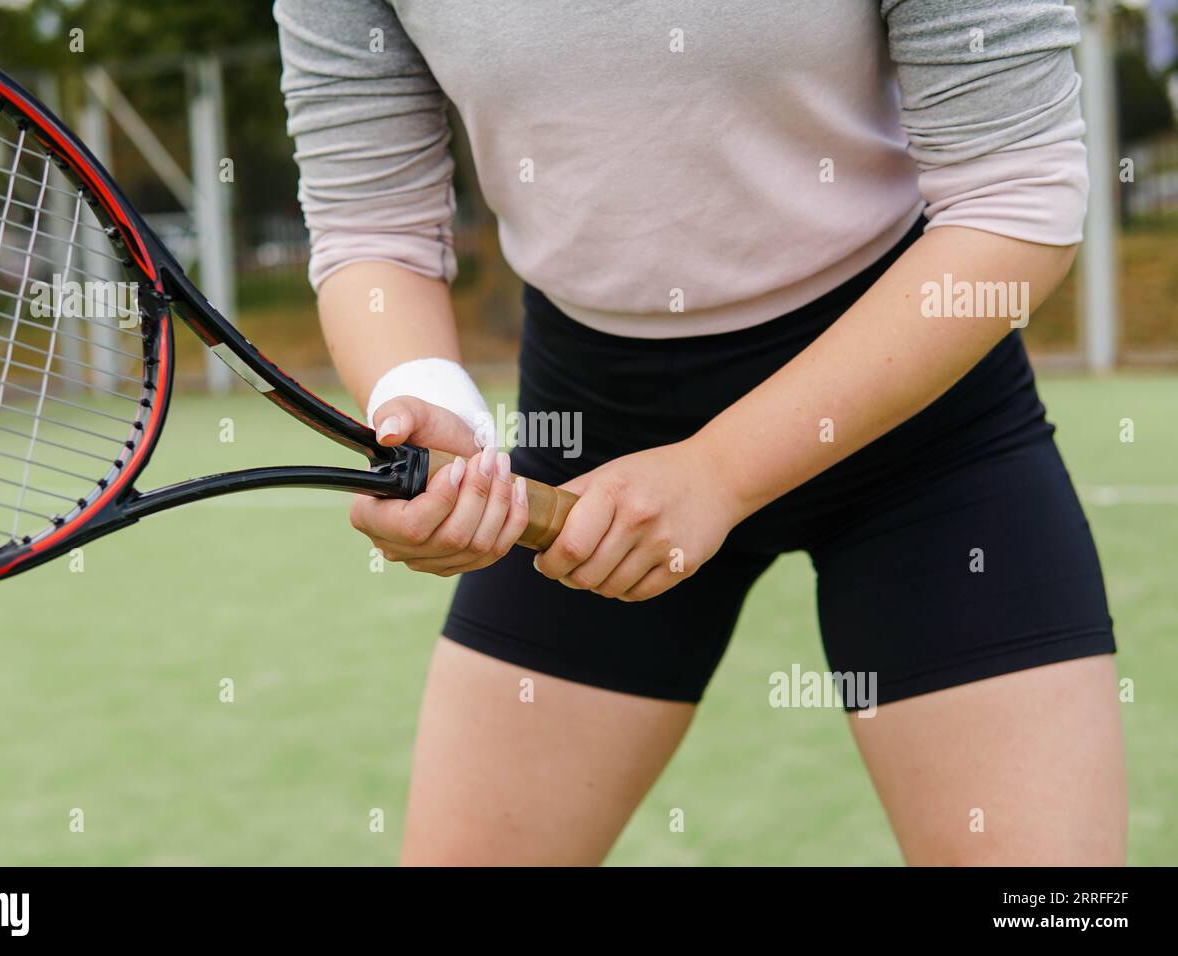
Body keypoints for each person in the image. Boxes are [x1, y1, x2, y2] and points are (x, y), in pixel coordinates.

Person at [276, 0, 1125, 866]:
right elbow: (371, 226)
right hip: (591, 450)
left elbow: (1016, 196)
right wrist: (426, 394)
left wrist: (720, 471)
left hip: (921, 425)